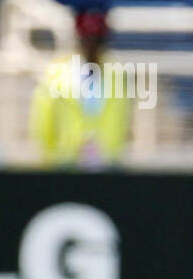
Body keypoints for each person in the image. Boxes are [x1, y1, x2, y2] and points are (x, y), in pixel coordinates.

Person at [30, 9, 132, 168]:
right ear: (78, 39)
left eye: (97, 40)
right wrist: (51, 158)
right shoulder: (56, 73)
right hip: (64, 164)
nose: (91, 46)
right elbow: (44, 122)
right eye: (87, 39)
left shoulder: (116, 75)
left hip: (107, 164)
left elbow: (122, 121)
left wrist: (111, 154)